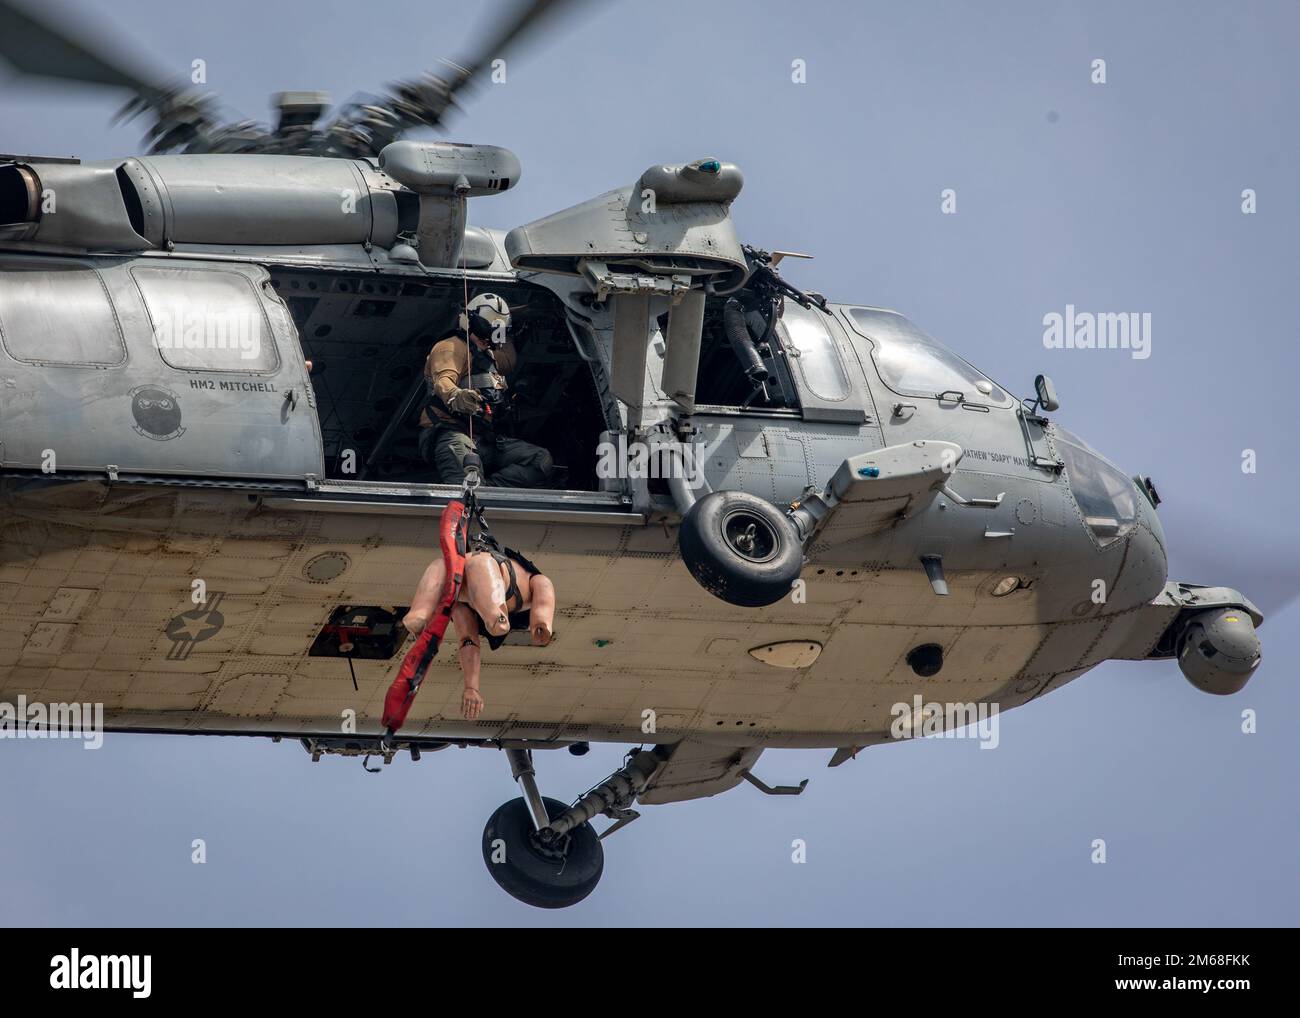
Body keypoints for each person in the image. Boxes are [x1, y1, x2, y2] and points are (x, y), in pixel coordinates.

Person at [401, 536, 555, 720]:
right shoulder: (532, 580)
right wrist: (541, 622)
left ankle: (420, 612)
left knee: (441, 566)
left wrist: (471, 688)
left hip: (467, 575)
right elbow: (544, 591)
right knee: (493, 611)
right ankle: (495, 616)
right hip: (486, 568)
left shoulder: (470, 605)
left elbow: (468, 640)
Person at [418, 292, 555, 488]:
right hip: (450, 433)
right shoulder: (451, 347)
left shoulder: (488, 355)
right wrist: (457, 395)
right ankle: (478, 494)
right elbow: (443, 381)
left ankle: (488, 491)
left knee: (539, 460)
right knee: (469, 486)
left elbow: (508, 361)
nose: (490, 339)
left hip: (484, 439)